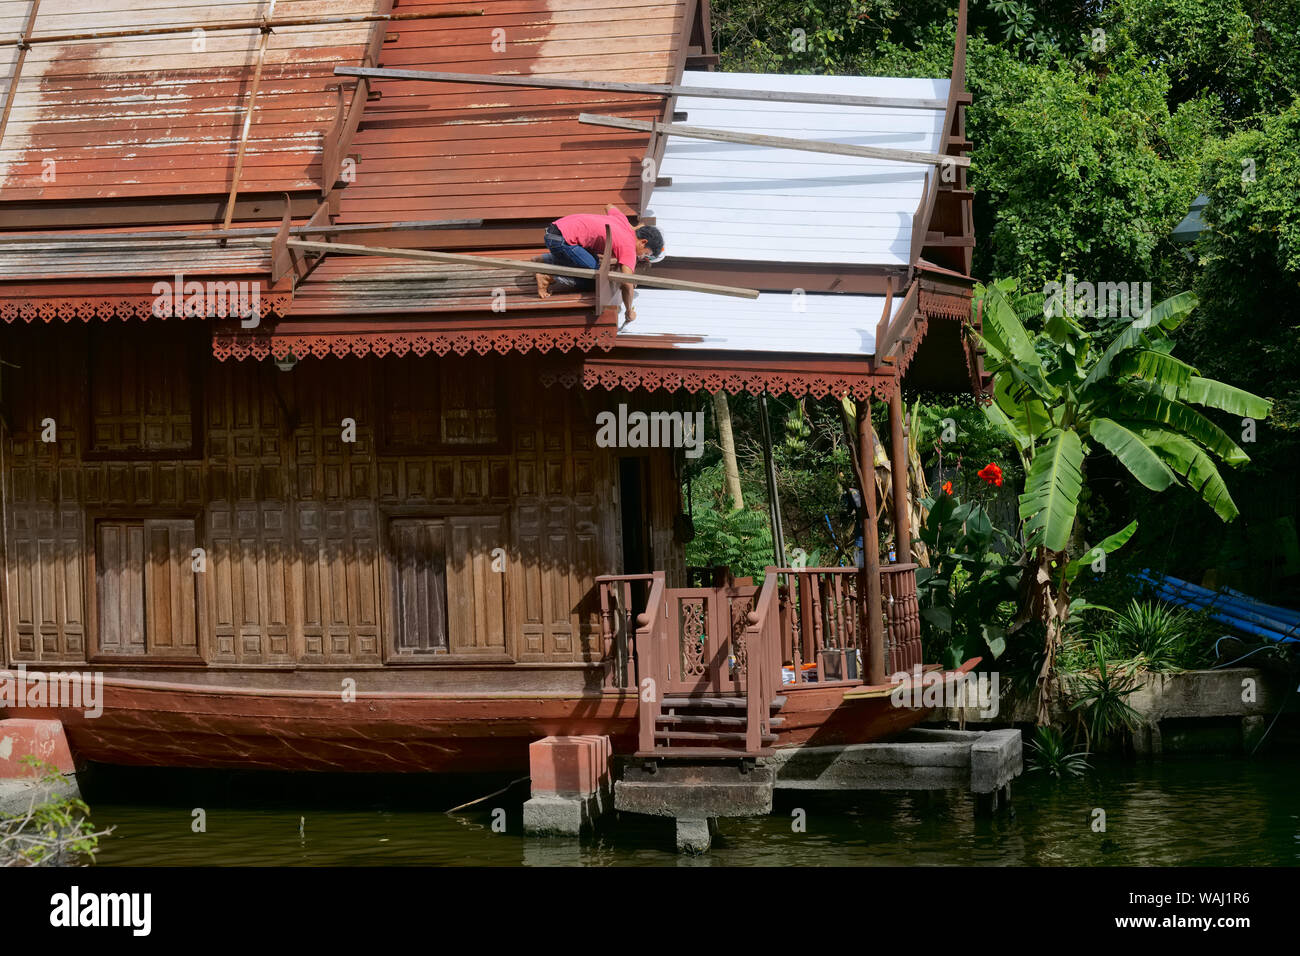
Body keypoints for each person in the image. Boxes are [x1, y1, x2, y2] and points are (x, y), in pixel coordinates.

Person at [535, 206, 665, 323]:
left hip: (555, 229)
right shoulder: (629, 247)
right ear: (643, 242)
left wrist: (631, 227)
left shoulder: (622, 221)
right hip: (560, 242)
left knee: (594, 261)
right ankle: (548, 277)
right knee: (596, 277)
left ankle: (544, 260)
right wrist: (629, 310)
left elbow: (609, 206)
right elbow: (627, 283)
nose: (641, 257)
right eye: (645, 254)